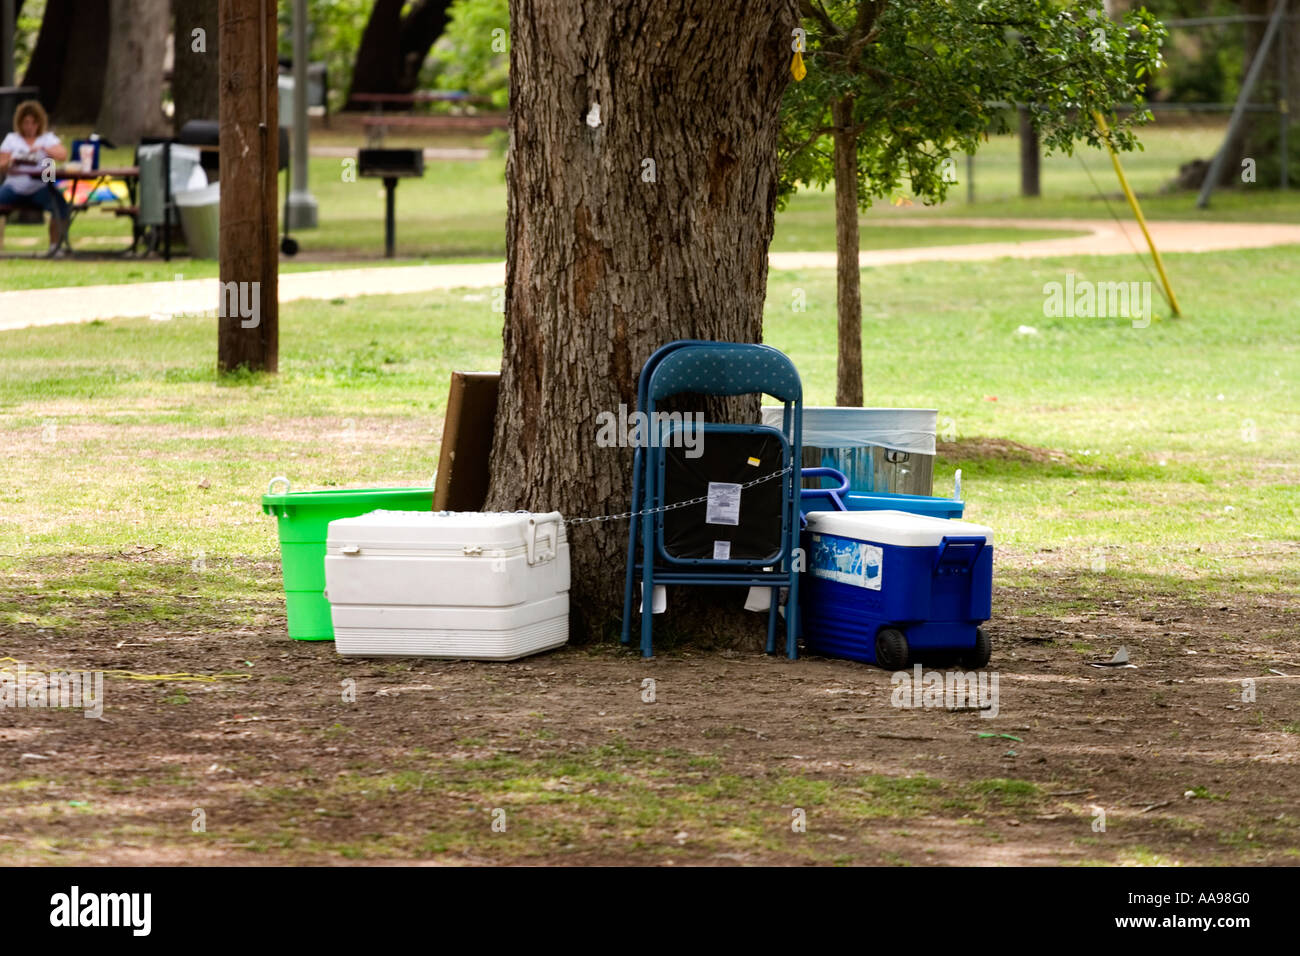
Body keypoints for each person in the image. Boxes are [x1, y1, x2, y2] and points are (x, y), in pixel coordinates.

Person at [0, 100, 71, 257]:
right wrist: (12, 159)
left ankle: (55, 246)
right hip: (14, 187)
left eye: (33, 123)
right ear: (20, 123)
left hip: (41, 186)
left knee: (60, 205)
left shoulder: (47, 139)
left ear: (39, 123)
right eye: (26, 122)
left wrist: (44, 149)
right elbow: (1, 162)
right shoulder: (12, 139)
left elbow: (63, 155)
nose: (29, 126)